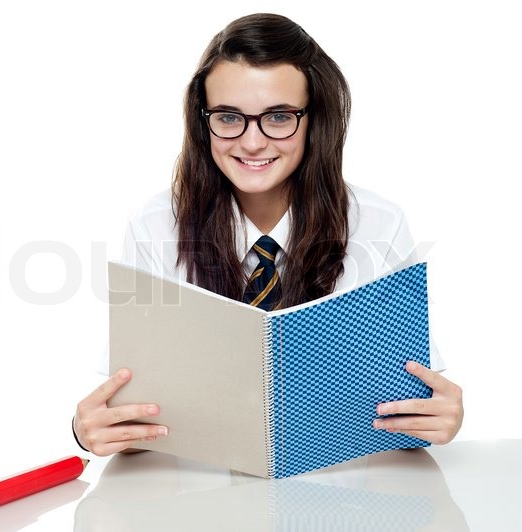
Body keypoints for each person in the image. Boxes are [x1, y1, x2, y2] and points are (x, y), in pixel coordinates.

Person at [73, 13, 463, 457]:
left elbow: (410, 410)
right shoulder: (155, 225)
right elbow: (135, 419)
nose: (253, 142)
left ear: (314, 121)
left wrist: (442, 416)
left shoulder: (378, 224)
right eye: (228, 117)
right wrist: (90, 430)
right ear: (204, 123)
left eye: (278, 117)